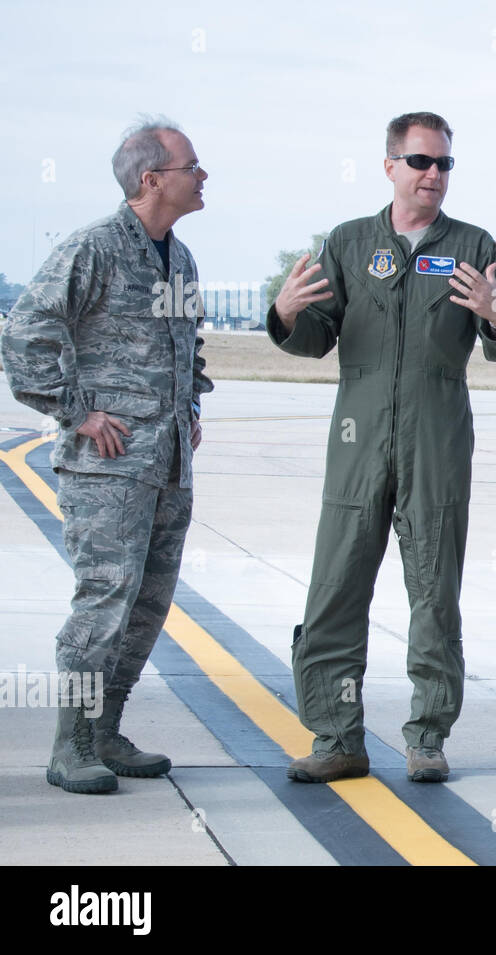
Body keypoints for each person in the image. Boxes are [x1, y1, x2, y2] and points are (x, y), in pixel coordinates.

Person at [269, 111, 496, 785]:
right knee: (336, 584)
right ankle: (337, 734)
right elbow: (313, 336)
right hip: (358, 440)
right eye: (420, 162)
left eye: (445, 164)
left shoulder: (474, 245)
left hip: (436, 437)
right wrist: (286, 313)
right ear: (389, 166)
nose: (434, 175)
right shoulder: (350, 243)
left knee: (434, 590)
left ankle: (428, 735)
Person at [1, 116, 212, 794]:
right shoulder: (92, 250)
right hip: (108, 468)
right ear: (151, 179)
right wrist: (77, 411)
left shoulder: (178, 258)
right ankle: (70, 746)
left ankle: (107, 729)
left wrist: (193, 407)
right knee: (105, 599)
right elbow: (25, 333)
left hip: (169, 463)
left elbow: (189, 346)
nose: (203, 176)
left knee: (147, 604)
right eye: (192, 166)